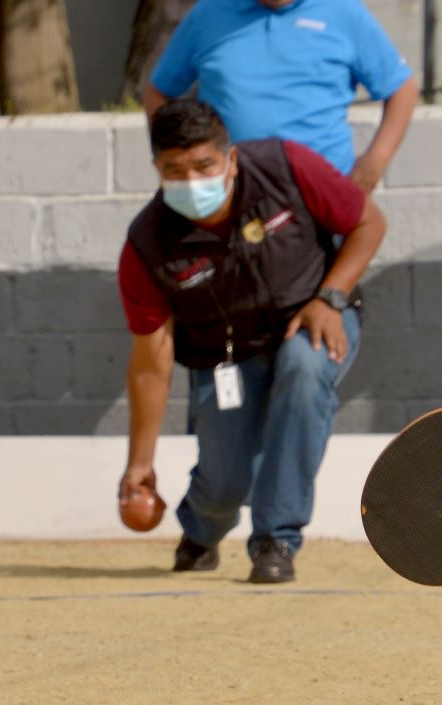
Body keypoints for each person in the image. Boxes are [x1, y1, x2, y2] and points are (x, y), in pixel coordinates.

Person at [118, 99, 385, 584]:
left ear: (232, 159)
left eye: (204, 165)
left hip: (314, 316)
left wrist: (331, 296)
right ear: (156, 168)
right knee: (226, 481)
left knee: (304, 370)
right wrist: (140, 463)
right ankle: (202, 531)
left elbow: (369, 222)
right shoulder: (147, 244)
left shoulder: (286, 167)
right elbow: (151, 361)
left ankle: (275, 539)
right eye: (173, 170)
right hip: (224, 357)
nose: (191, 180)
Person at [143, 0, 419, 190]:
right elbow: (158, 91)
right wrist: (176, 163)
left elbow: (402, 89)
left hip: (321, 195)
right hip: (230, 198)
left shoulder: (343, 11)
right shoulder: (208, 13)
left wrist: (373, 165)